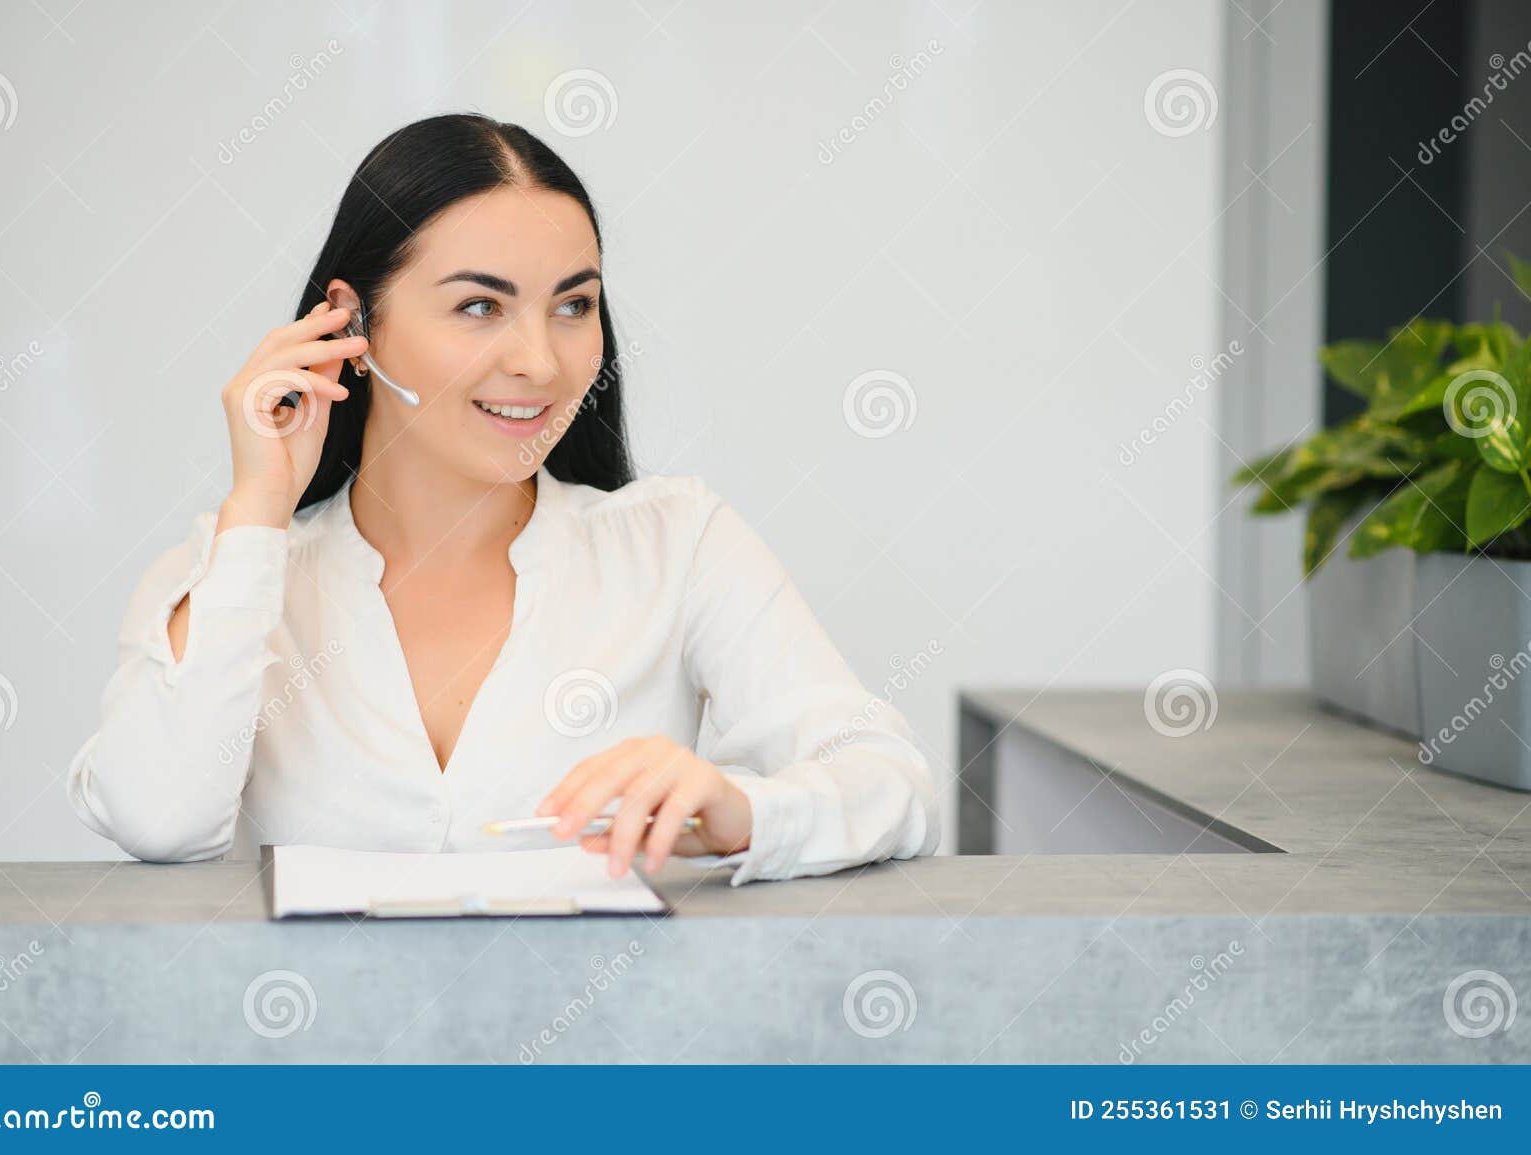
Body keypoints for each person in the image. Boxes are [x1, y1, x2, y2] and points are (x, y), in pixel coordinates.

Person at [66, 113, 939, 885]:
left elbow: (892, 784)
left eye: (573, 305)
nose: (541, 362)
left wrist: (740, 811)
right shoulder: (228, 574)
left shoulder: (677, 544)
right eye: (481, 306)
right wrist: (257, 507)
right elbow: (158, 819)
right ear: (352, 322)